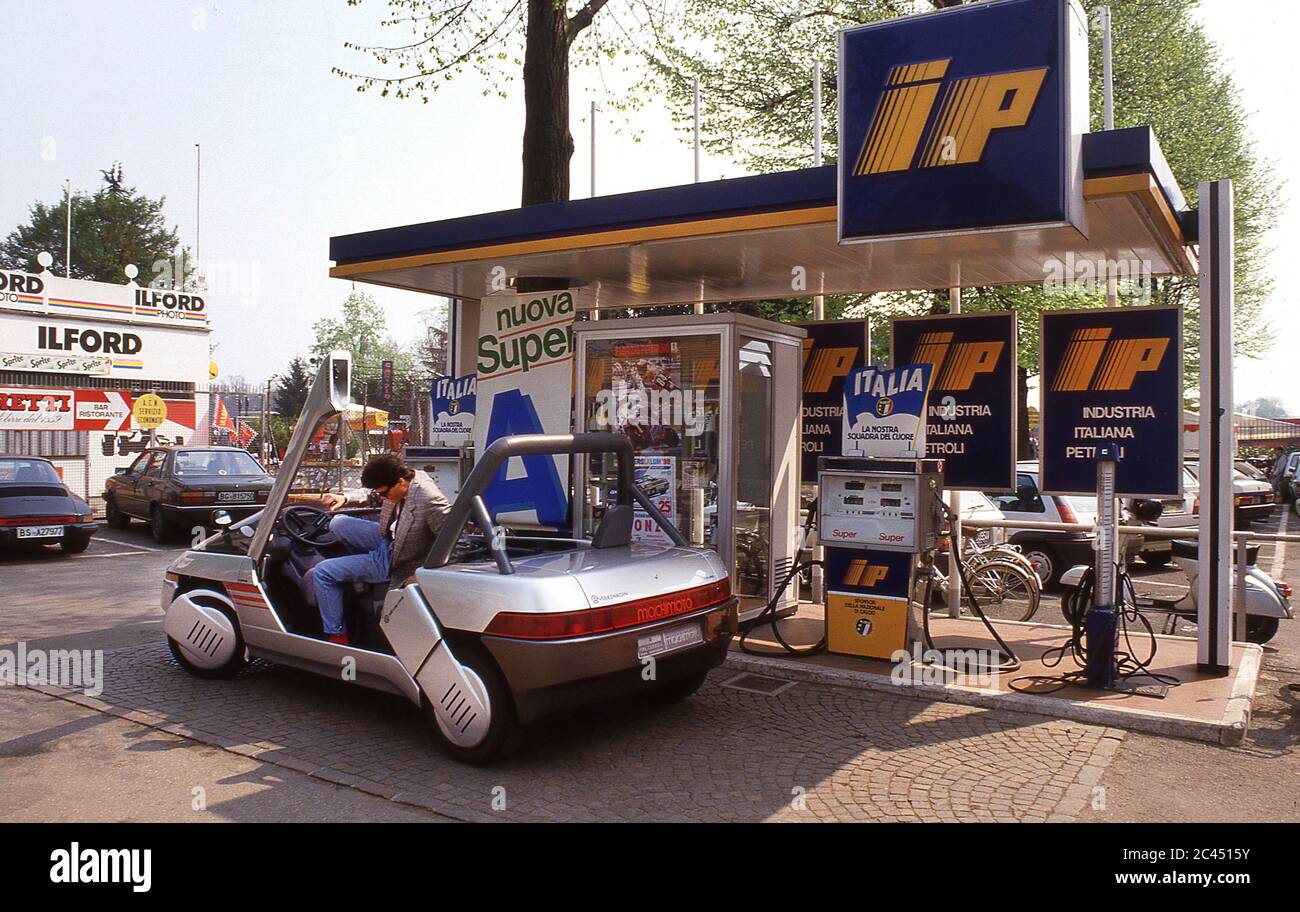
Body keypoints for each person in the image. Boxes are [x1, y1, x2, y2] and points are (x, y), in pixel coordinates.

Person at [307, 454, 450, 645]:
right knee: (338, 522)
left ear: (400, 482)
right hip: (389, 538)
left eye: (384, 494)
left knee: (323, 572)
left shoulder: (429, 500)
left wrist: (423, 574)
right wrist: (344, 497)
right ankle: (355, 570)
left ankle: (338, 635)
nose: (382, 498)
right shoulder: (405, 480)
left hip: (394, 558)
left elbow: (457, 542)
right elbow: (372, 493)